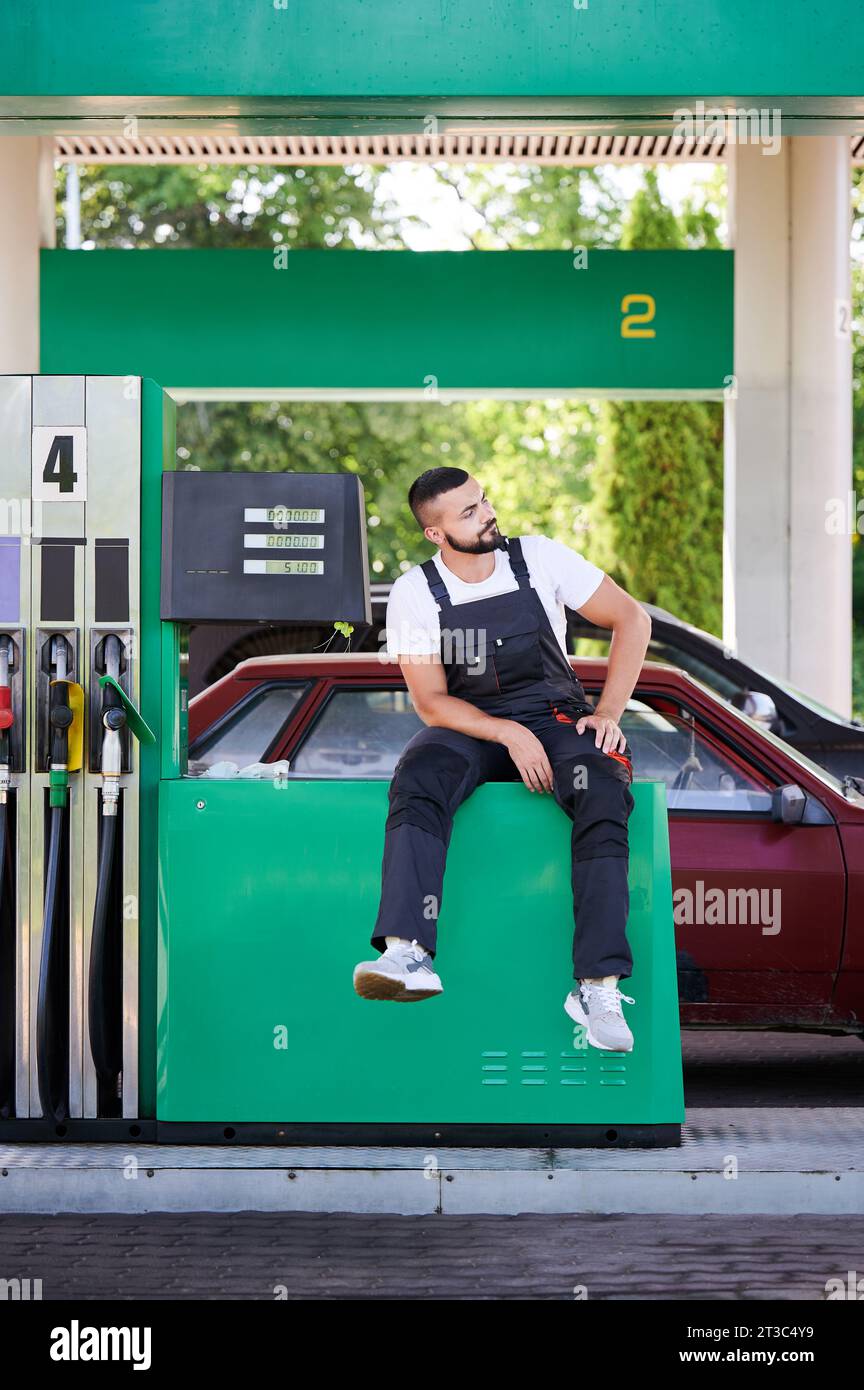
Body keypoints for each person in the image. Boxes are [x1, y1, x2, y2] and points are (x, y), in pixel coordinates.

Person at [352, 467, 651, 1051]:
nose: (487, 513)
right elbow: (431, 702)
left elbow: (631, 618)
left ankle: (597, 986)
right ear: (436, 533)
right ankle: (407, 954)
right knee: (420, 774)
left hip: (557, 718)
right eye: (468, 512)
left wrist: (608, 712)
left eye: (483, 500)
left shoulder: (538, 558)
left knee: (602, 781)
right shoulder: (415, 593)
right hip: (471, 724)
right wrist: (506, 733)